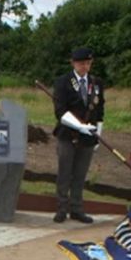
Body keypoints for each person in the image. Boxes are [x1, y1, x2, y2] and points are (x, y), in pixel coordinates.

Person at [51, 47, 105, 224]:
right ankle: (61, 208)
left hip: (88, 136)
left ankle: (77, 208)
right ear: (73, 63)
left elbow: (100, 111)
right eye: (82, 63)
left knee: (80, 173)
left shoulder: (96, 83)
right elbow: (60, 111)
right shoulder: (63, 82)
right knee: (65, 172)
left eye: (88, 63)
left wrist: (98, 133)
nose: (85, 66)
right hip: (68, 133)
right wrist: (79, 126)